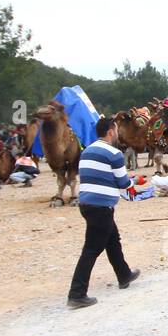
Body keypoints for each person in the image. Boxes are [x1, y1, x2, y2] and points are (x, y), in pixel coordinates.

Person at [67, 116, 140, 309]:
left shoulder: (87, 151)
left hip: (87, 204)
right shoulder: (114, 153)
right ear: (110, 131)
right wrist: (136, 181)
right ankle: (77, 293)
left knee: (112, 240)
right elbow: (123, 183)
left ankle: (124, 275)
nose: (117, 134)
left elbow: (99, 176)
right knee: (92, 249)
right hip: (101, 207)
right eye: (116, 130)